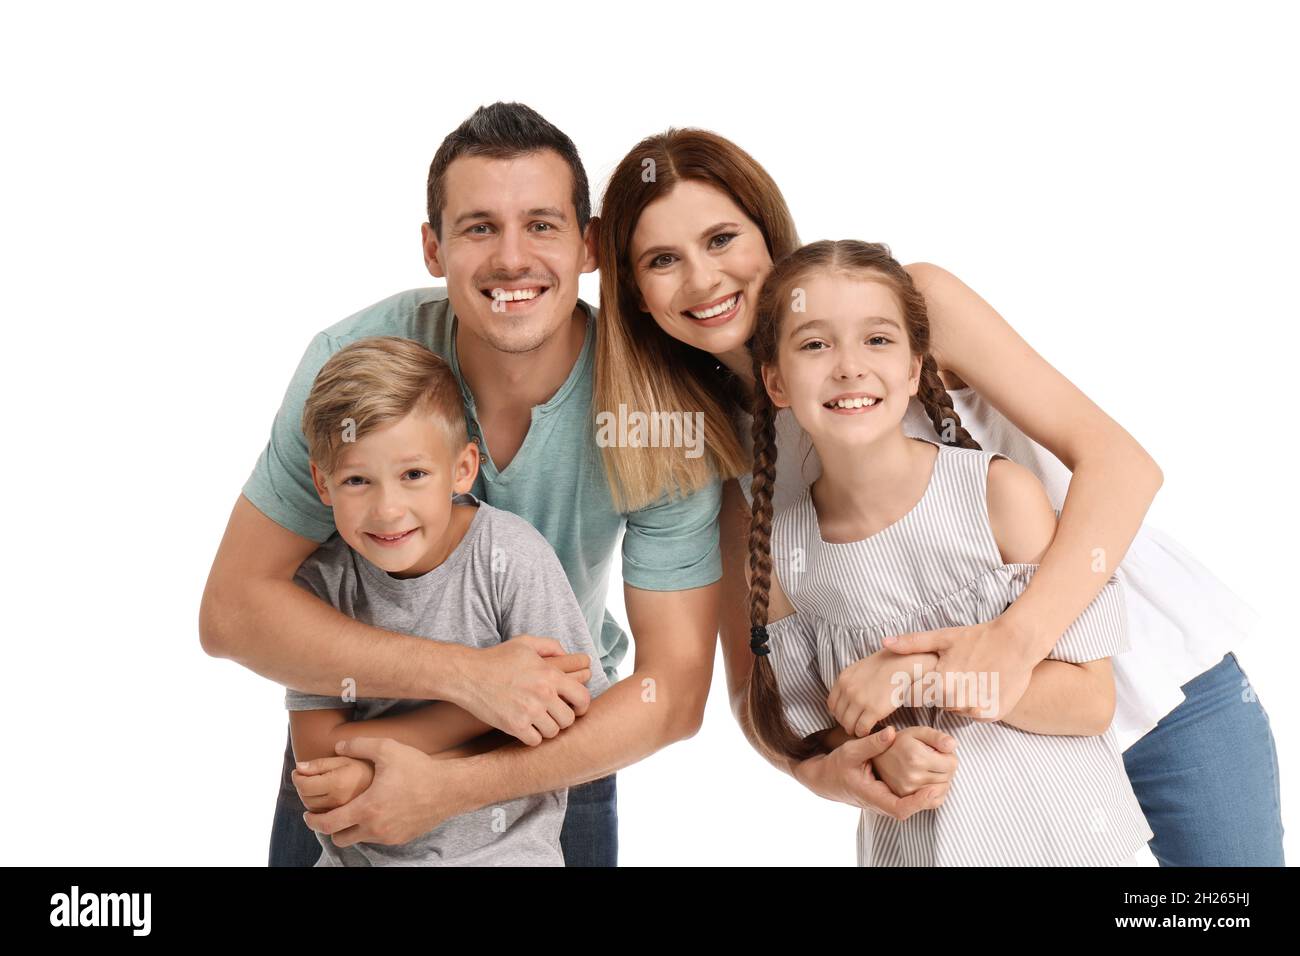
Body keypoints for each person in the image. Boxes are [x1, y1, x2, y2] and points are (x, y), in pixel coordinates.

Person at [593, 128, 1283, 865]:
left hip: (1148, 686)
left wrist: (1012, 645)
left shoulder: (903, 304)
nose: (704, 280)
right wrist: (830, 771)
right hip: (984, 777)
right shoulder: (712, 448)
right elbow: (756, 688)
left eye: (722, 238)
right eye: (663, 260)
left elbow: (1121, 464)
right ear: (634, 292)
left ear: (767, 232)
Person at [199, 103, 723, 867]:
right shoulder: (353, 364)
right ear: (432, 248)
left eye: (541, 224)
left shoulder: (657, 411)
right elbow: (232, 610)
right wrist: (467, 679)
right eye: (479, 227)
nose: (512, 259)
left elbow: (669, 695)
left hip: (556, 745)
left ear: (588, 245)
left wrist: (453, 786)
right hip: (352, 747)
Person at [745, 240, 1151, 865]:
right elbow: (815, 727)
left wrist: (921, 673)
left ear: (915, 370)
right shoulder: (784, 556)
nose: (849, 366)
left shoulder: (998, 496)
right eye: (815, 344)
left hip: (1067, 842)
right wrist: (878, 753)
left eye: (877, 340)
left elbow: (1091, 703)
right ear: (775, 380)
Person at [284, 336, 610, 866]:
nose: (388, 510)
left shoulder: (510, 557)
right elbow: (319, 772)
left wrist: (386, 766)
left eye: (414, 475)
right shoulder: (321, 588)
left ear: (463, 469)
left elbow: (573, 712)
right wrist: (485, 701)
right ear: (323, 483)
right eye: (357, 480)